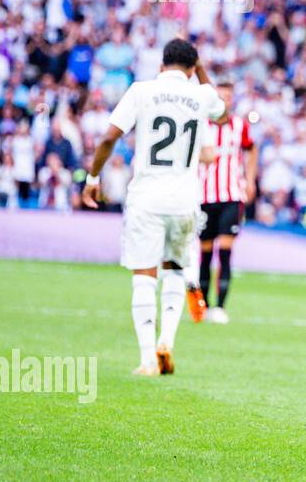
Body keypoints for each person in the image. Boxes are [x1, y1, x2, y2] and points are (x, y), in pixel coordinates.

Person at [82, 39, 225, 377]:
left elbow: (107, 139)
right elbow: (223, 111)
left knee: (144, 276)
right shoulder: (201, 94)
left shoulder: (141, 91)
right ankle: (168, 342)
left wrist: (92, 177)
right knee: (175, 269)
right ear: (192, 69)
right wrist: (201, 69)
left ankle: (148, 358)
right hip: (184, 200)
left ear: (161, 66)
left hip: (146, 198)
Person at [197, 83, 257, 324]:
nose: (223, 102)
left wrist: (250, 180)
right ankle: (203, 305)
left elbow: (252, 149)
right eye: (219, 97)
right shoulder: (202, 125)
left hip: (231, 194)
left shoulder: (239, 126)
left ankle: (220, 306)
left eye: (227, 98)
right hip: (203, 195)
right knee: (205, 251)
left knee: (225, 250)